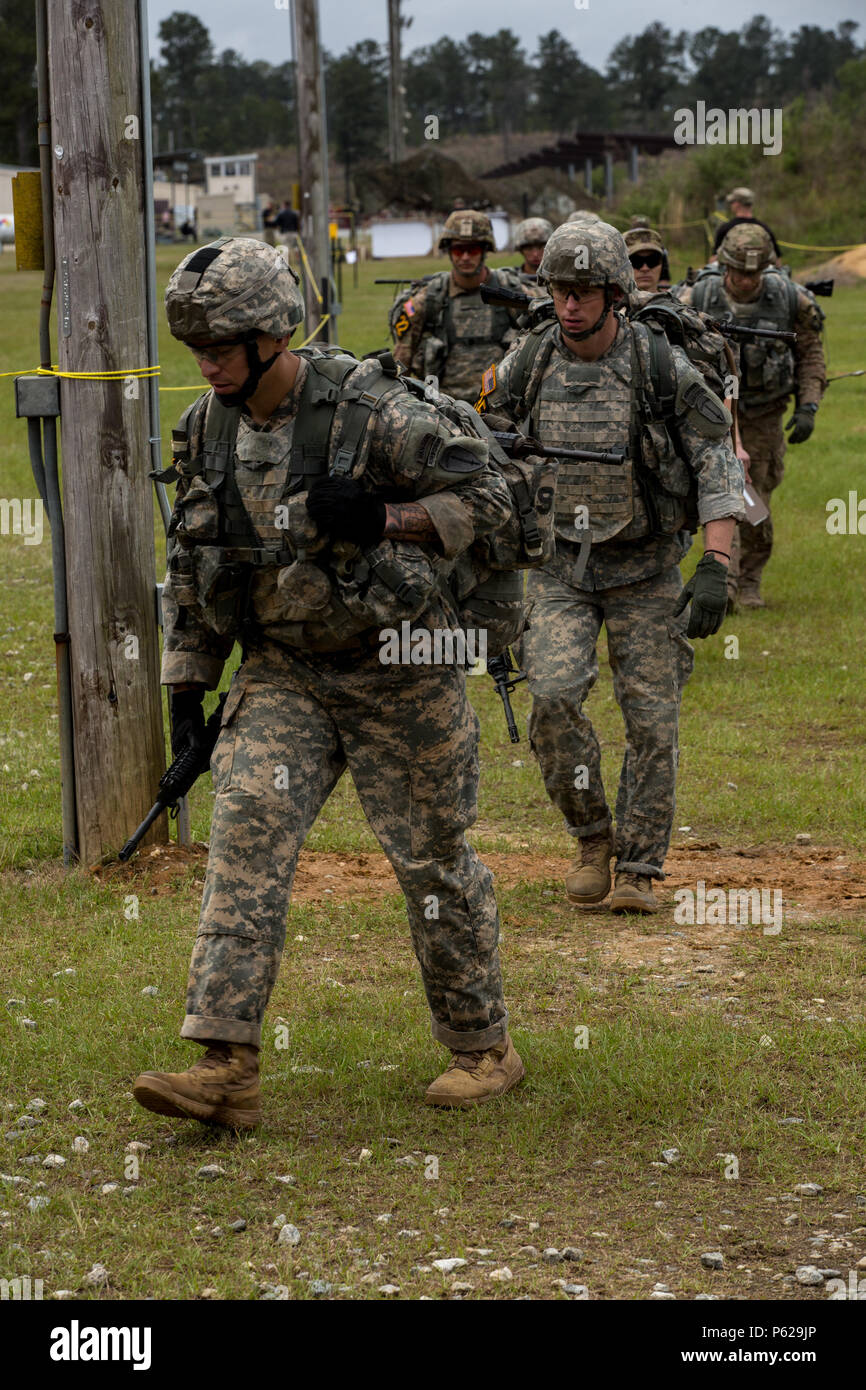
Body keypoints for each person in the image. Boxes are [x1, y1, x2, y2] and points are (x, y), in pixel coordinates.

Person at [131, 236, 525, 1126]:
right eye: (197, 346)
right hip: (285, 670)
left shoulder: (378, 412)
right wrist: (188, 693)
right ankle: (226, 1064)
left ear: (274, 334)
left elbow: (505, 508)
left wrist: (390, 517)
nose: (209, 363)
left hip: (402, 666)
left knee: (431, 861)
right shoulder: (207, 427)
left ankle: (484, 1047)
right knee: (245, 833)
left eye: (223, 346)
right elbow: (195, 559)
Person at [477, 222, 744, 914]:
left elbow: (716, 460)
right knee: (554, 698)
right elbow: (474, 441)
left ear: (615, 293)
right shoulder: (528, 362)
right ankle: (593, 836)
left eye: (585, 290)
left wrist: (716, 563)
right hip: (561, 566)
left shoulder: (659, 367)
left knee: (652, 722)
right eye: (562, 289)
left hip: (647, 569)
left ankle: (640, 867)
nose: (571, 304)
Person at [680, 223, 826, 609]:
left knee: (754, 500)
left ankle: (749, 580)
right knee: (719, 495)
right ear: (724, 265)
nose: (746, 280)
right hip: (712, 411)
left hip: (762, 414)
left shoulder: (790, 299)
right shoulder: (698, 295)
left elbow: (811, 352)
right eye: (739, 271)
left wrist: (809, 404)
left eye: (754, 273)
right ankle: (724, 584)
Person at [390, 210, 526, 403]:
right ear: (449, 252)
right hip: (445, 409)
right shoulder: (430, 298)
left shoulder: (510, 292)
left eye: (473, 250)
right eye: (458, 250)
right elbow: (402, 358)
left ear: (484, 251)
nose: (465, 257)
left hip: (502, 405)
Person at [712, 187, 780, 261]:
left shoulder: (725, 229)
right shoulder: (764, 229)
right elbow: (777, 260)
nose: (731, 205)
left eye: (732, 202)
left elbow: (714, 259)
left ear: (737, 204)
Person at [623, 225, 670, 294]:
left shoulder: (675, 303)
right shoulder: (607, 304)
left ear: (662, 265)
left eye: (652, 260)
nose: (645, 268)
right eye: (636, 261)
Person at [509, 217, 554, 284]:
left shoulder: (562, 279)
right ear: (521, 250)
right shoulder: (510, 280)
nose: (535, 254)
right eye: (528, 248)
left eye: (541, 247)